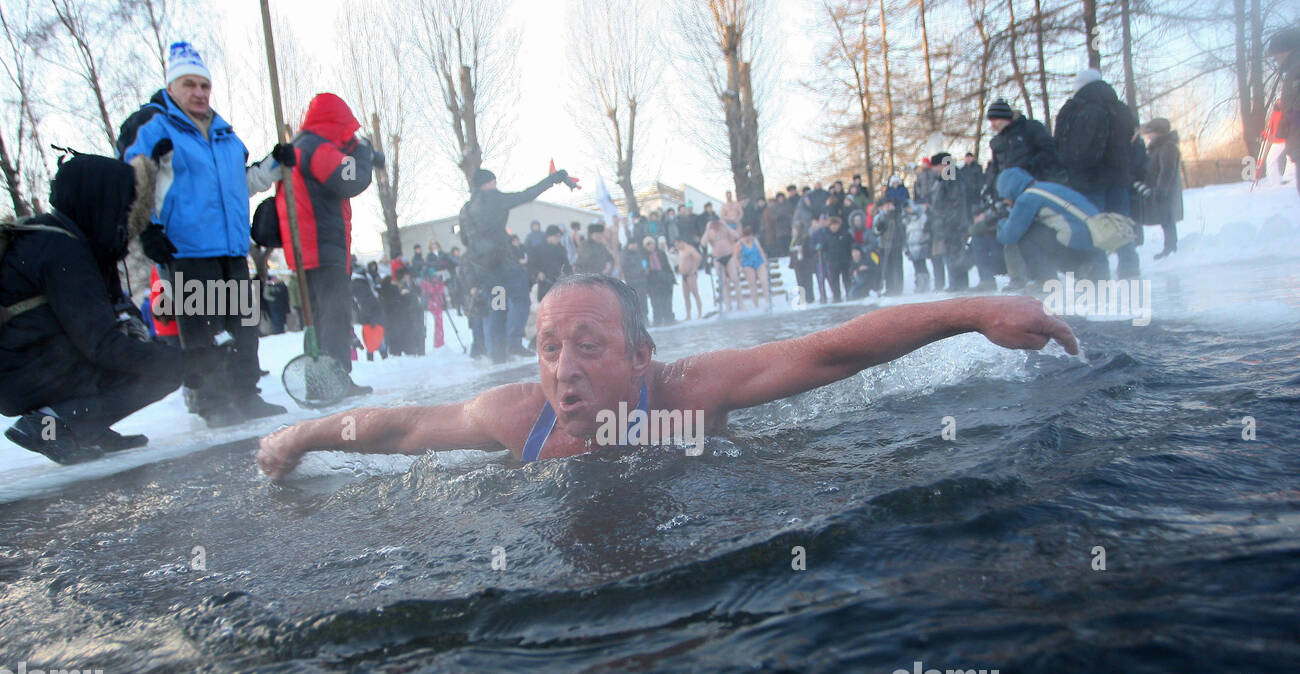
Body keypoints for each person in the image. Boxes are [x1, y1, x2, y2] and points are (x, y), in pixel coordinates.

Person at [257, 273, 1078, 478]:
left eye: (588, 345)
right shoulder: (520, 418)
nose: (562, 370)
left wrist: (973, 312)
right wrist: (303, 435)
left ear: (640, 355)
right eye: (548, 348)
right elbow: (401, 427)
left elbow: (832, 350)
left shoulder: (687, 390)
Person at [1, 154, 222, 463]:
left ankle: (84, 430)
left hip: (25, 368)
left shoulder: (61, 238)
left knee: (153, 362)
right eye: (121, 206)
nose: (124, 216)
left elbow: (116, 316)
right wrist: (185, 362)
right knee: (157, 374)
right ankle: (48, 427)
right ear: (99, 202)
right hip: (25, 375)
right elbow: (103, 345)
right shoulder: (63, 250)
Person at [119, 41, 287, 426]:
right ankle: (211, 401)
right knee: (203, 330)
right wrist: (147, 230)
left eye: (204, 86)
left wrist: (276, 163)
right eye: (189, 84)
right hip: (186, 249)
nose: (198, 93)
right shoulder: (153, 124)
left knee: (243, 326)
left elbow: (238, 184)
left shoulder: (226, 135)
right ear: (173, 87)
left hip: (230, 246)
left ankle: (246, 394)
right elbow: (132, 178)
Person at [275, 92, 377, 396]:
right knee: (334, 314)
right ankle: (334, 381)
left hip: (307, 246)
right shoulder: (315, 147)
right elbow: (351, 179)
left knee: (320, 317)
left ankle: (319, 384)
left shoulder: (300, 147)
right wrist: (364, 155)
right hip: (323, 245)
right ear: (334, 122)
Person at [458, 165, 575, 362]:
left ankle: (497, 354)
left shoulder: (466, 210)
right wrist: (553, 179)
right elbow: (527, 194)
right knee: (521, 296)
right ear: (488, 183)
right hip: (500, 262)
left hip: (483, 266)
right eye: (494, 182)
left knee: (497, 305)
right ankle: (513, 341)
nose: (496, 186)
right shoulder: (494, 199)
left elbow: (464, 239)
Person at [1054, 69, 1138, 278]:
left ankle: (1097, 272)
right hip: (1118, 177)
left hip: (1089, 178)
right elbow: (1132, 142)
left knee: (1093, 225)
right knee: (1120, 223)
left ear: (1080, 86)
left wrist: (1070, 170)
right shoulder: (1121, 109)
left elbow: (1071, 146)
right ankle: (1130, 266)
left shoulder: (1078, 108)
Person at [993, 168, 1109, 288]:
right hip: (1097, 243)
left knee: (1027, 234)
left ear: (1009, 189)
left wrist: (1001, 221)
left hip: (1076, 244)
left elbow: (1009, 236)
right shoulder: (1047, 187)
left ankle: (1045, 281)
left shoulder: (1027, 198)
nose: (1006, 200)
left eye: (1004, 196)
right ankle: (1090, 270)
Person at [982, 98, 1064, 196]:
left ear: (1005, 117)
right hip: (1010, 192)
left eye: (995, 120)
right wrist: (990, 186)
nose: (993, 125)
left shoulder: (1030, 128)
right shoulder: (996, 141)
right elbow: (995, 167)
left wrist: (1031, 166)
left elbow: (1049, 150)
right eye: (991, 121)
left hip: (1035, 185)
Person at [1138, 118, 1183, 259]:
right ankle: (1169, 248)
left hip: (1165, 190)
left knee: (1167, 219)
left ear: (1158, 133)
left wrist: (1161, 190)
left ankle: (1170, 248)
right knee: (1165, 219)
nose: (1148, 136)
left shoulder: (1167, 147)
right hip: (1160, 189)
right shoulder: (1159, 147)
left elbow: (1167, 171)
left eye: (1150, 133)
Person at [928, 152, 972, 292]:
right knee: (951, 252)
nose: (936, 170)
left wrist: (949, 221)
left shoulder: (952, 177)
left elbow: (955, 202)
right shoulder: (946, 178)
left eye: (937, 167)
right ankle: (956, 282)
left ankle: (958, 283)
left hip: (954, 223)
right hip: (949, 222)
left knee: (955, 252)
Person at [1270, 27, 1300, 197]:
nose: (1275, 60)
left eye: (1276, 54)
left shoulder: (1297, 68)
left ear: (1286, 50)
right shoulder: (1293, 69)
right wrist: (1287, 119)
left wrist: (1292, 116)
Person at [702, 217, 740, 313]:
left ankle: (740, 303)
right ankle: (728, 306)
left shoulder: (724, 229)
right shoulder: (709, 232)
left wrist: (726, 225)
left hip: (729, 256)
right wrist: (707, 229)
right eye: (713, 224)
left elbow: (736, 236)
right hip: (718, 259)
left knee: (735, 279)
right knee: (723, 283)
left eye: (717, 224)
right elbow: (703, 243)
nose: (716, 226)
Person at [643, 236, 676, 326]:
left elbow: (667, 266)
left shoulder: (661, 253)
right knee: (656, 303)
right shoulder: (644, 256)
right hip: (653, 282)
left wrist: (670, 278)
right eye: (648, 244)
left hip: (663, 279)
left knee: (667, 301)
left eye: (652, 243)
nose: (651, 246)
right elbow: (644, 270)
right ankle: (658, 320)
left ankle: (669, 318)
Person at [736, 226, 770, 310]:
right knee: (752, 285)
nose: (748, 238)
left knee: (764, 281)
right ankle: (756, 304)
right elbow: (736, 257)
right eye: (746, 237)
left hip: (758, 262)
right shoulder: (739, 244)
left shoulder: (755, 240)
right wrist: (740, 267)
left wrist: (765, 261)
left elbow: (760, 250)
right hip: (747, 264)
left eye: (749, 236)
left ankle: (768, 301)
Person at [904, 203, 931, 293]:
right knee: (916, 266)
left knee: (922, 265)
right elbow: (906, 235)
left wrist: (924, 240)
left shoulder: (921, 217)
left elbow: (925, 229)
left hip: (921, 244)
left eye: (909, 208)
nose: (908, 210)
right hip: (911, 246)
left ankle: (925, 284)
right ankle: (919, 284)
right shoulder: (906, 220)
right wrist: (906, 248)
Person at [675, 239, 702, 321]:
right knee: (686, 296)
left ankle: (700, 313)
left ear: (682, 242)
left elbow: (698, 257)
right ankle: (688, 315)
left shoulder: (689, 249)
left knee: (695, 294)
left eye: (677, 245)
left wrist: (694, 269)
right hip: (684, 275)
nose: (677, 247)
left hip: (691, 275)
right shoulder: (680, 251)